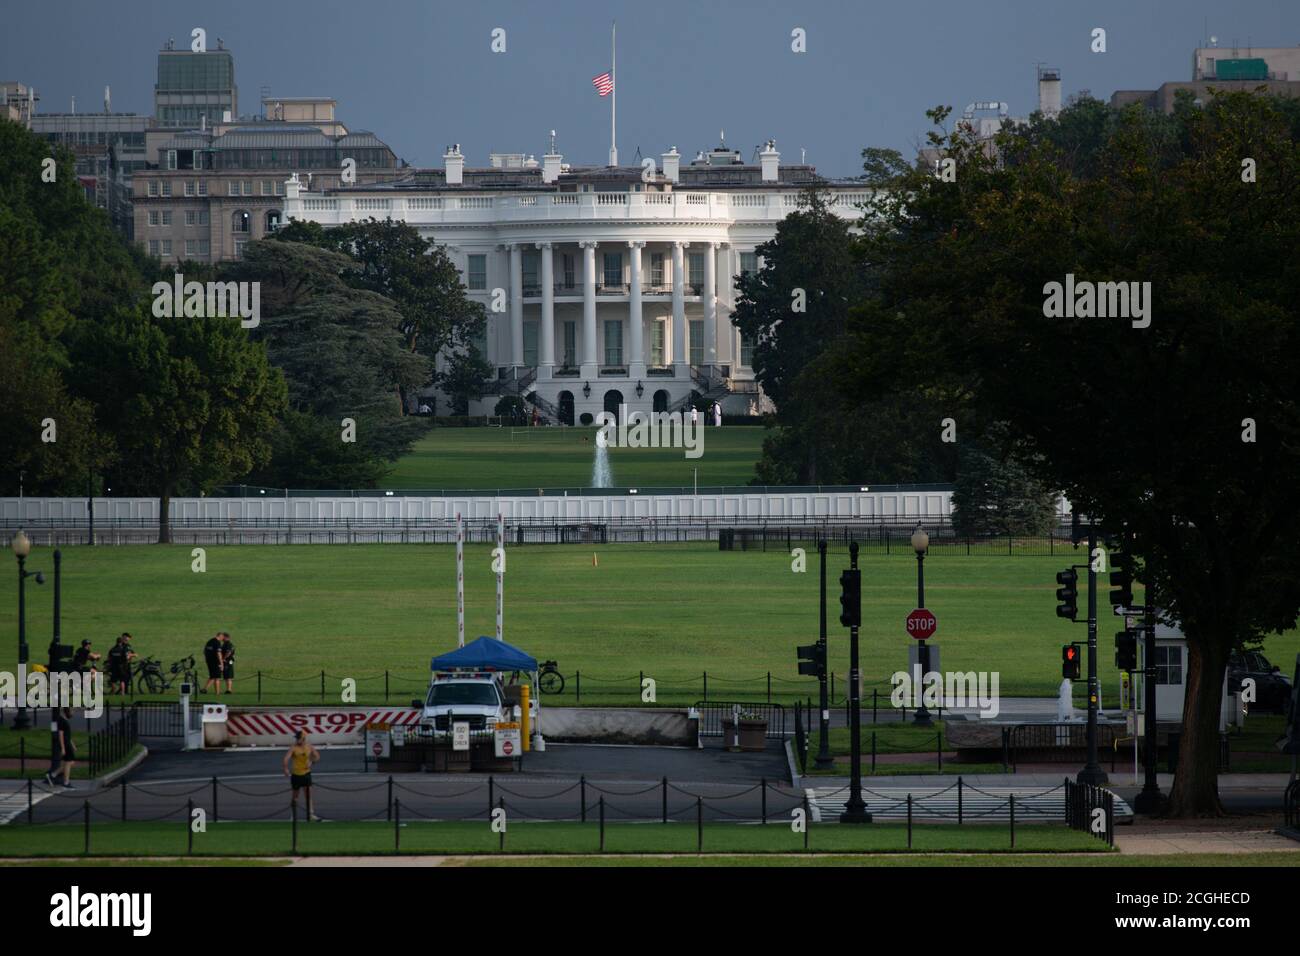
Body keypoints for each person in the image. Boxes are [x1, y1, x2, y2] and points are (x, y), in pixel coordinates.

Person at [283, 730, 321, 821]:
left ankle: (311, 814)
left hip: (306, 774)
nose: (296, 740)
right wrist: (285, 768)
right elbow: (286, 759)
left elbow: (317, 756)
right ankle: (293, 815)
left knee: (308, 795)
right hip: (296, 775)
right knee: (295, 796)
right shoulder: (293, 748)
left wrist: (312, 761)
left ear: (303, 738)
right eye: (296, 738)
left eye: (298, 738)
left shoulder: (309, 747)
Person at [45, 706, 76, 790]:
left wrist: (72, 744)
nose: (73, 713)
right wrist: (63, 748)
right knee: (68, 763)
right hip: (65, 745)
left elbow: (67, 735)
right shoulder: (62, 721)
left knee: (70, 763)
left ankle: (52, 775)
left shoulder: (65, 720)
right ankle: (66, 782)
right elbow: (61, 735)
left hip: (68, 744)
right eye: (72, 711)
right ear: (67, 711)